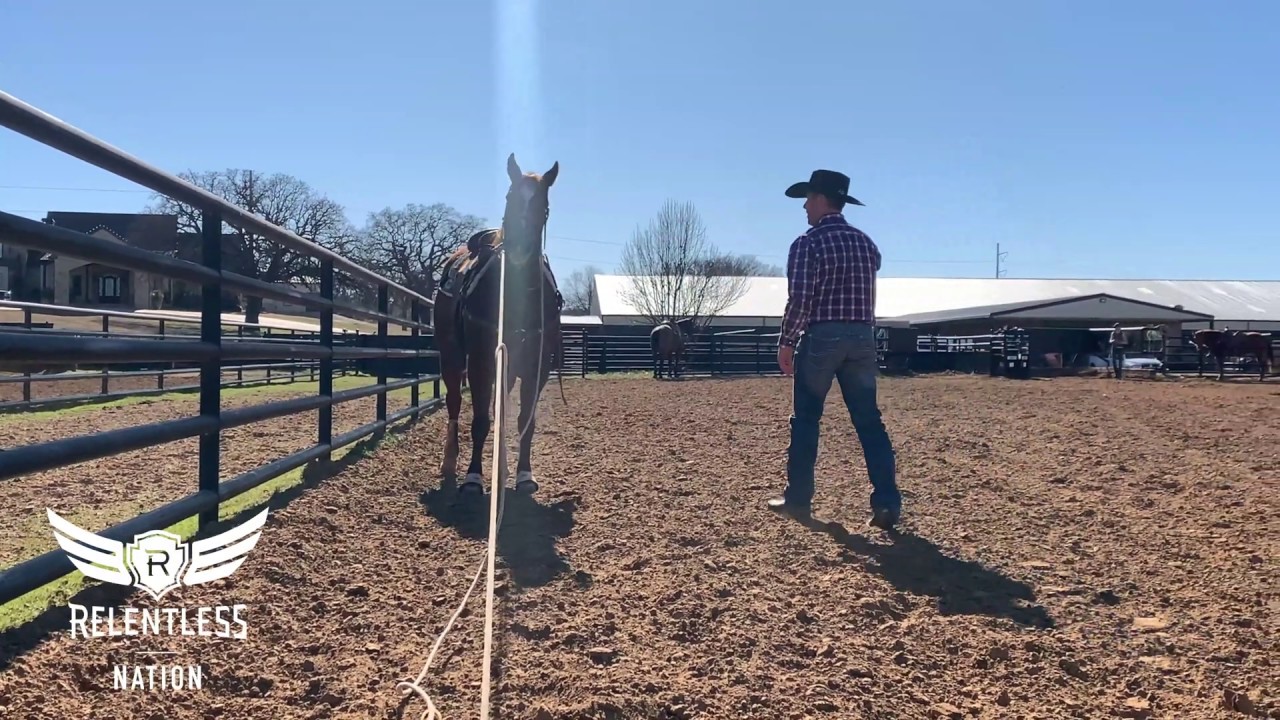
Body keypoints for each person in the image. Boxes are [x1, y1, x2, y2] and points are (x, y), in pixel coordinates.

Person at [767, 169, 902, 530]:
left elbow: (801, 299)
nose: (805, 207)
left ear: (822, 199)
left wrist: (787, 339)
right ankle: (887, 501)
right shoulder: (866, 244)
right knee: (869, 422)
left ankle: (798, 500)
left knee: (807, 420)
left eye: (808, 199)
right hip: (862, 337)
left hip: (822, 337)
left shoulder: (808, 243)